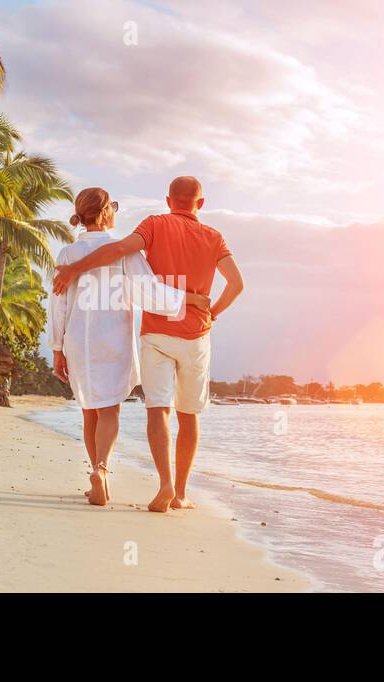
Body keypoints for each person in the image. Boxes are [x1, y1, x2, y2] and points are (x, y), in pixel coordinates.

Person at [52, 177, 244, 513]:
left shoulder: (71, 252)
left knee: (102, 410)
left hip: (87, 339)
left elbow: (60, 305)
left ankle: (105, 474)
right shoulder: (205, 238)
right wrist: (196, 304)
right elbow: (150, 291)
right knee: (130, 411)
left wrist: (56, 346)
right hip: (135, 338)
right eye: (113, 207)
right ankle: (145, 481)